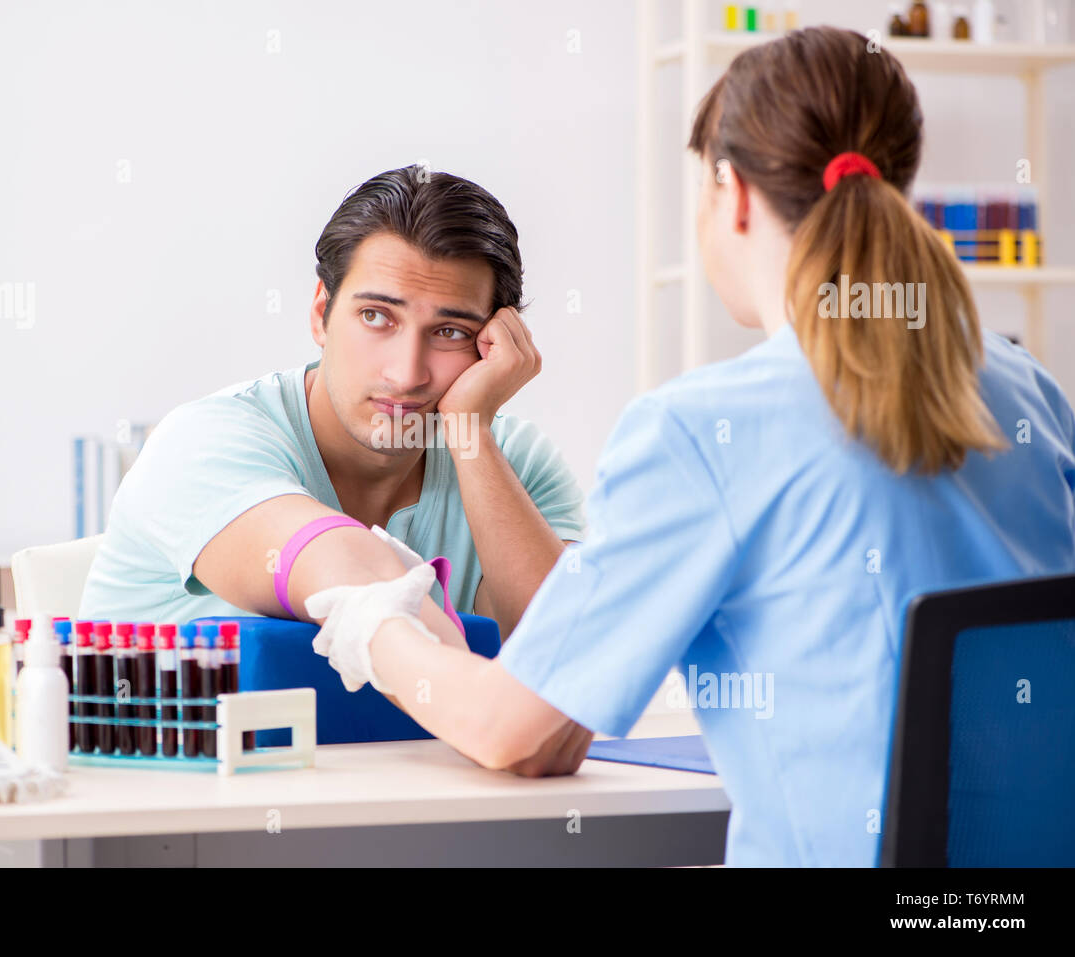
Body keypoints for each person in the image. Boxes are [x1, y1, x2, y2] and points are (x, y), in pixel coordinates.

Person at [305, 27, 1075, 866]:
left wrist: (377, 625)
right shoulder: (1028, 388)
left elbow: (516, 735)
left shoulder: (706, 430)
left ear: (732, 194)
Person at [79, 167, 587, 648]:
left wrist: (470, 435)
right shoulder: (205, 442)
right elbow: (346, 573)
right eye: (375, 316)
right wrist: (476, 694)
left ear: (496, 344)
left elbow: (564, 652)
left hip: (404, 747)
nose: (406, 373)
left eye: (450, 332)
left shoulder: (513, 465)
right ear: (322, 314)